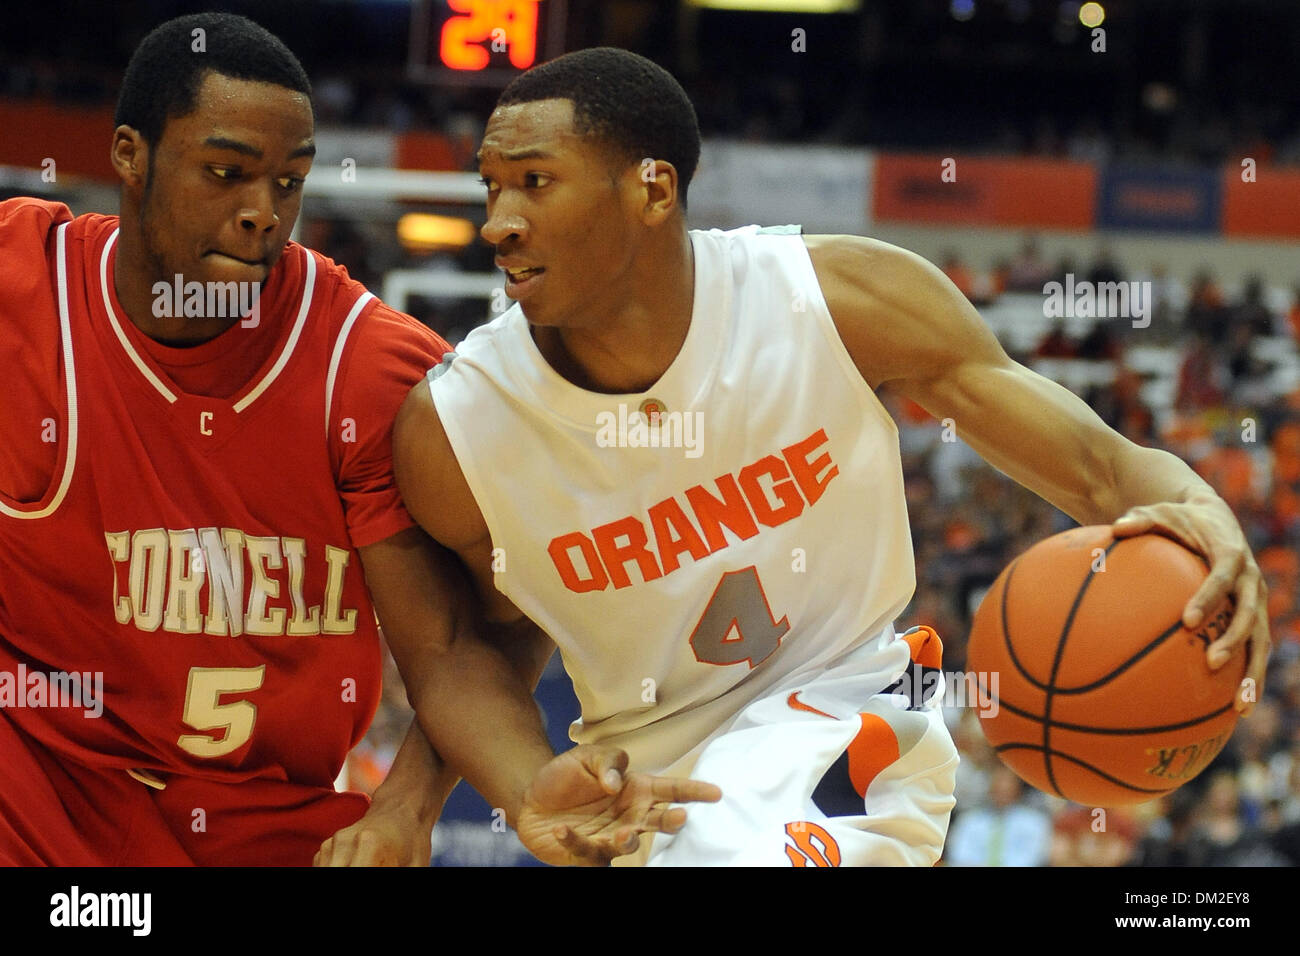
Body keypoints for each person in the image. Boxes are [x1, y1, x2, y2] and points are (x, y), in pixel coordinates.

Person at [393, 47, 1272, 867]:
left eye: (535, 184)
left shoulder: (836, 299)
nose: (498, 224)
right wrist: (512, 785)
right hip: (641, 792)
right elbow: (473, 647)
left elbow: (1102, 469)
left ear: (652, 191)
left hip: (854, 712)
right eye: (493, 188)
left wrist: (1204, 512)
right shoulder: (460, 427)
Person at [0, 15, 716, 868]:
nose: (263, 214)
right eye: (226, 174)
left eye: (290, 183)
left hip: (265, 827)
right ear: (129, 155)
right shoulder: (21, 284)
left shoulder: (373, 373)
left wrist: (428, 805)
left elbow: (480, 630)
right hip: (33, 803)